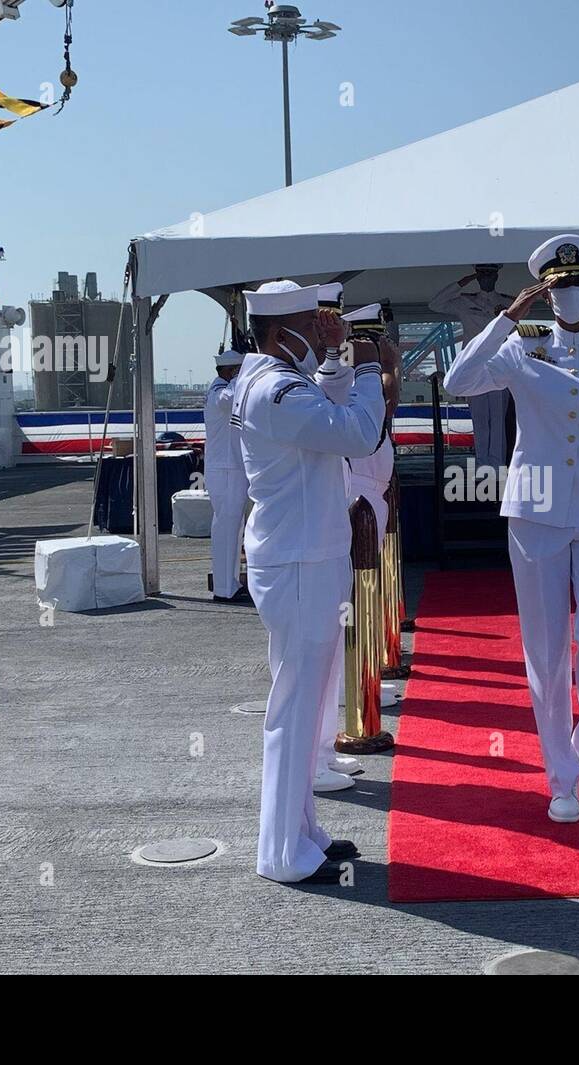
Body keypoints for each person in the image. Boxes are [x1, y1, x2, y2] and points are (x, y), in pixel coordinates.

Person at [443, 234, 579, 823]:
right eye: (560, 287)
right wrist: (504, 320)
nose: (571, 295)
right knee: (544, 650)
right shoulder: (520, 346)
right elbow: (457, 382)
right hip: (535, 509)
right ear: (545, 291)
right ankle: (561, 774)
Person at [232, 280, 385, 884]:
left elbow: (327, 413)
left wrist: (332, 360)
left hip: (304, 555)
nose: (322, 327)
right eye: (309, 321)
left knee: (305, 695)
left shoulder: (276, 380)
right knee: (294, 707)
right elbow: (355, 432)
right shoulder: (276, 389)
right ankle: (280, 852)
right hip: (298, 559)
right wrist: (366, 367)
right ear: (278, 331)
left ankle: (302, 831)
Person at [314, 302, 404, 794]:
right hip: (355, 498)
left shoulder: (347, 375)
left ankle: (333, 736)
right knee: (343, 616)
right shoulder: (343, 378)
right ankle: (329, 741)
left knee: (359, 604)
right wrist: (384, 365)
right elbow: (385, 404)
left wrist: (387, 366)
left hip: (370, 491)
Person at [429, 265, 515, 473]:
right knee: (479, 418)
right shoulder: (465, 301)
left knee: (497, 418)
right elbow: (435, 304)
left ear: (496, 276)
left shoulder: (508, 303)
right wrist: (461, 283)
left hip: (497, 365)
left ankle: (497, 465)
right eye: (482, 274)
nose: (487, 278)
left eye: (490, 274)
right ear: (477, 276)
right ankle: (482, 464)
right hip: (473, 368)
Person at [203, 348, 251, 604]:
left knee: (233, 529)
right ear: (231, 371)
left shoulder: (222, 389)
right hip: (226, 469)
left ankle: (229, 583)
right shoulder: (220, 393)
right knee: (227, 528)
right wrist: (240, 376)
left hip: (230, 468)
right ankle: (223, 587)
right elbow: (232, 397)